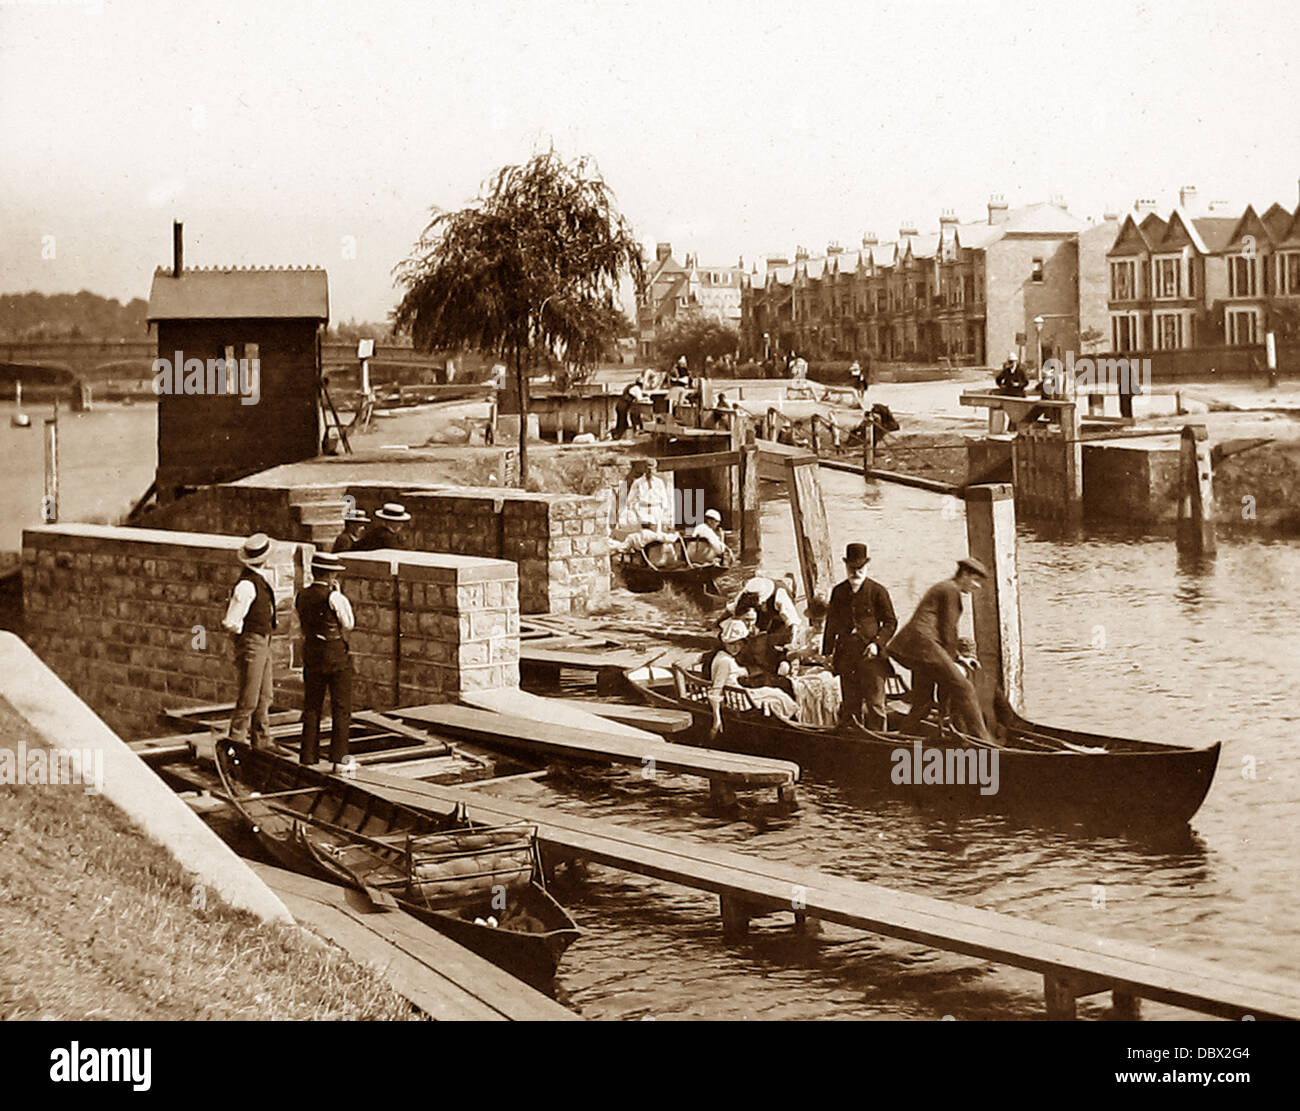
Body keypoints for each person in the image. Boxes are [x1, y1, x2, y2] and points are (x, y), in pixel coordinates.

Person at [888, 557, 995, 742]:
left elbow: (944, 633)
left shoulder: (944, 587)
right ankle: (985, 741)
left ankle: (903, 739)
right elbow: (948, 631)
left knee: (923, 701)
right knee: (964, 688)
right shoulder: (950, 590)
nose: (978, 586)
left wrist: (958, 657)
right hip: (924, 646)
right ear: (965, 575)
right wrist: (956, 660)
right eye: (976, 580)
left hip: (912, 648)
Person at [821, 542, 897, 730]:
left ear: (866, 566)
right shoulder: (839, 592)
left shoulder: (878, 591)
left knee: (876, 705)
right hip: (847, 657)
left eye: (860, 568)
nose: (856, 572)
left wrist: (877, 644)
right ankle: (851, 743)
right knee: (850, 705)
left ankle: (880, 745)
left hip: (871, 658)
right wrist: (827, 653)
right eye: (851, 568)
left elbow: (890, 622)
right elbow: (831, 623)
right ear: (846, 566)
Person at [296, 552, 355, 768]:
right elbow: (348, 624)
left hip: (312, 650)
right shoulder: (334, 597)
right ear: (331, 575)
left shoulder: (302, 595)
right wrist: (337, 595)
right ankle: (339, 757)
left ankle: (308, 756)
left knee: (312, 705)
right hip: (335, 652)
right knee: (341, 706)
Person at [221, 533, 279, 751]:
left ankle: (262, 739)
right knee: (249, 696)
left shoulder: (259, 580)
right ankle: (235, 741)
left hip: (263, 640)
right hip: (254, 641)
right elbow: (231, 621)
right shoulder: (246, 585)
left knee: (265, 695)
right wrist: (246, 640)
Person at [706, 618, 798, 737]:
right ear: (724, 643)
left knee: (775, 692)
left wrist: (745, 672)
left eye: (739, 644)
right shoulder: (725, 661)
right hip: (739, 700)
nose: (736, 648)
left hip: (737, 694)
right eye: (731, 644)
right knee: (779, 696)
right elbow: (715, 691)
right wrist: (716, 720)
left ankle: (791, 720)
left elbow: (732, 673)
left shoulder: (721, 656)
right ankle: (791, 726)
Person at [623, 458, 672, 530]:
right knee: (645, 533)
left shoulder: (659, 482)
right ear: (645, 469)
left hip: (656, 509)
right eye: (648, 469)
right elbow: (630, 499)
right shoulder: (638, 482)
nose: (650, 471)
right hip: (643, 509)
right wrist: (635, 511)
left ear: (655, 469)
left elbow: (664, 498)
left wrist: (662, 511)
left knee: (655, 532)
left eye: (652, 469)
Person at [613, 514, 679, 554]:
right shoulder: (650, 534)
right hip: (635, 548)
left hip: (633, 547)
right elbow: (668, 539)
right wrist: (676, 534)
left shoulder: (639, 533)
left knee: (621, 546)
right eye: (653, 524)